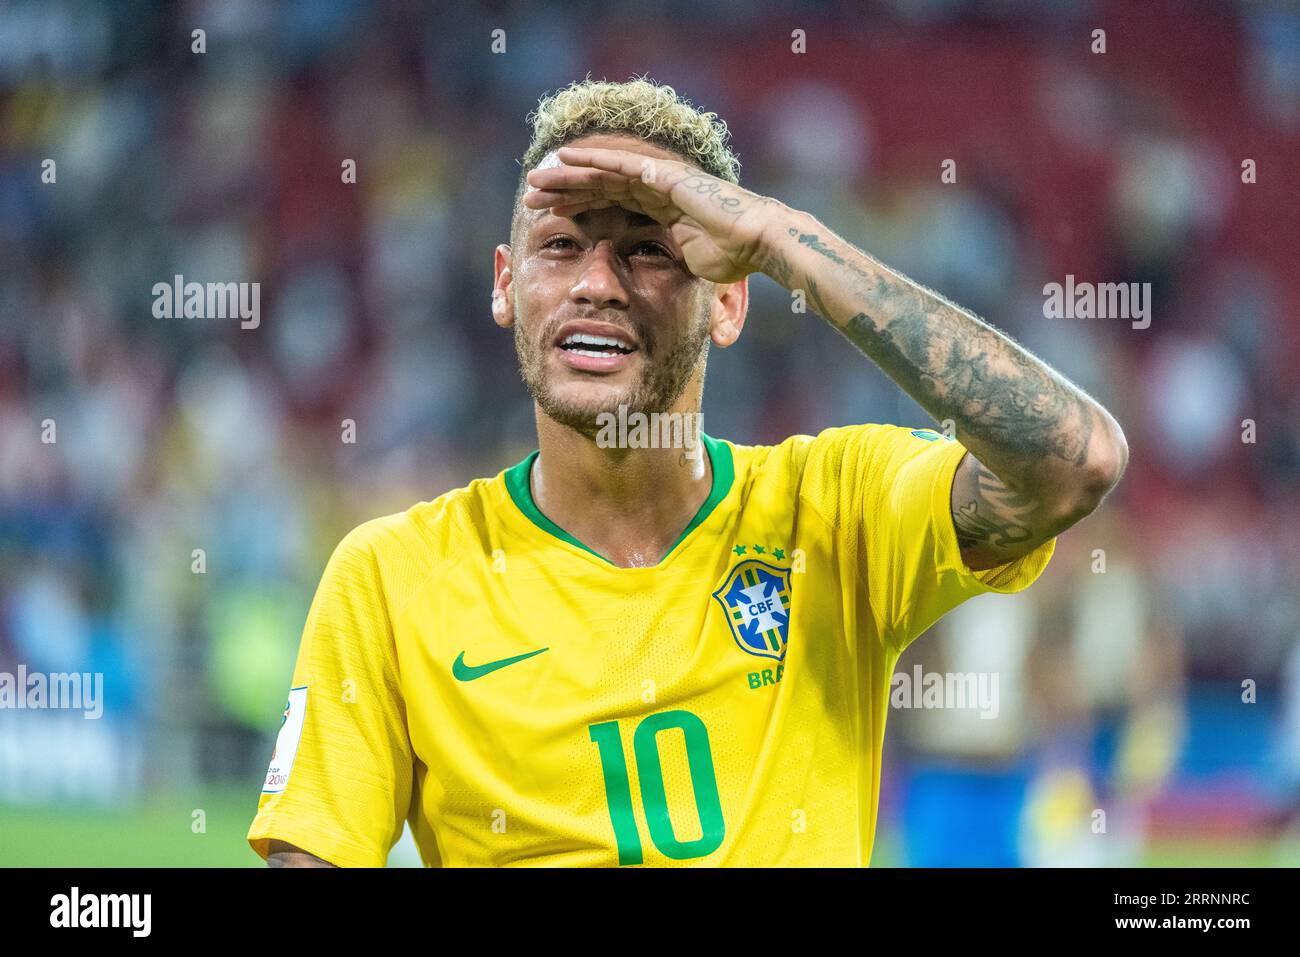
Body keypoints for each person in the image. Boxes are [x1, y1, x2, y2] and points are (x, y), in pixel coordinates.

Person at [246, 76, 1127, 867]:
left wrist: (790, 241)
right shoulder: (392, 577)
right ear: (506, 286)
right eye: (560, 246)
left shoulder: (834, 510)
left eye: (648, 250)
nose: (595, 282)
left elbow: (1073, 461)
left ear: (730, 298)